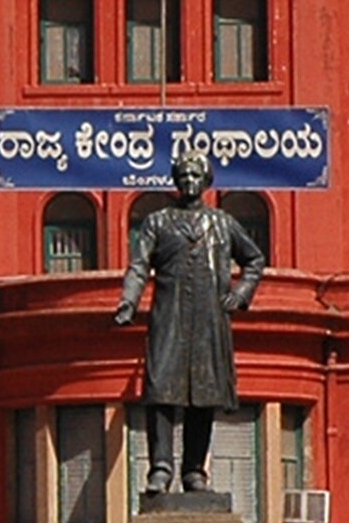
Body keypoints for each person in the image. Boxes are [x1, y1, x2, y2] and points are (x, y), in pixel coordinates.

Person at [110, 140, 265, 500]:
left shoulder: (223, 224)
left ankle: (194, 470)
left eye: (196, 173)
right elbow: (138, 266)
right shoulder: (157, 222)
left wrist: (241, 295)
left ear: (207, 179)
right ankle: (160, 468)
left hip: (210, 321)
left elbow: (254, 259)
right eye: (184, 174)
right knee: (161, 393)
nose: (190, 180)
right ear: (175, 180)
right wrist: (128, 303)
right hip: (170, 319)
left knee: (203, 396)